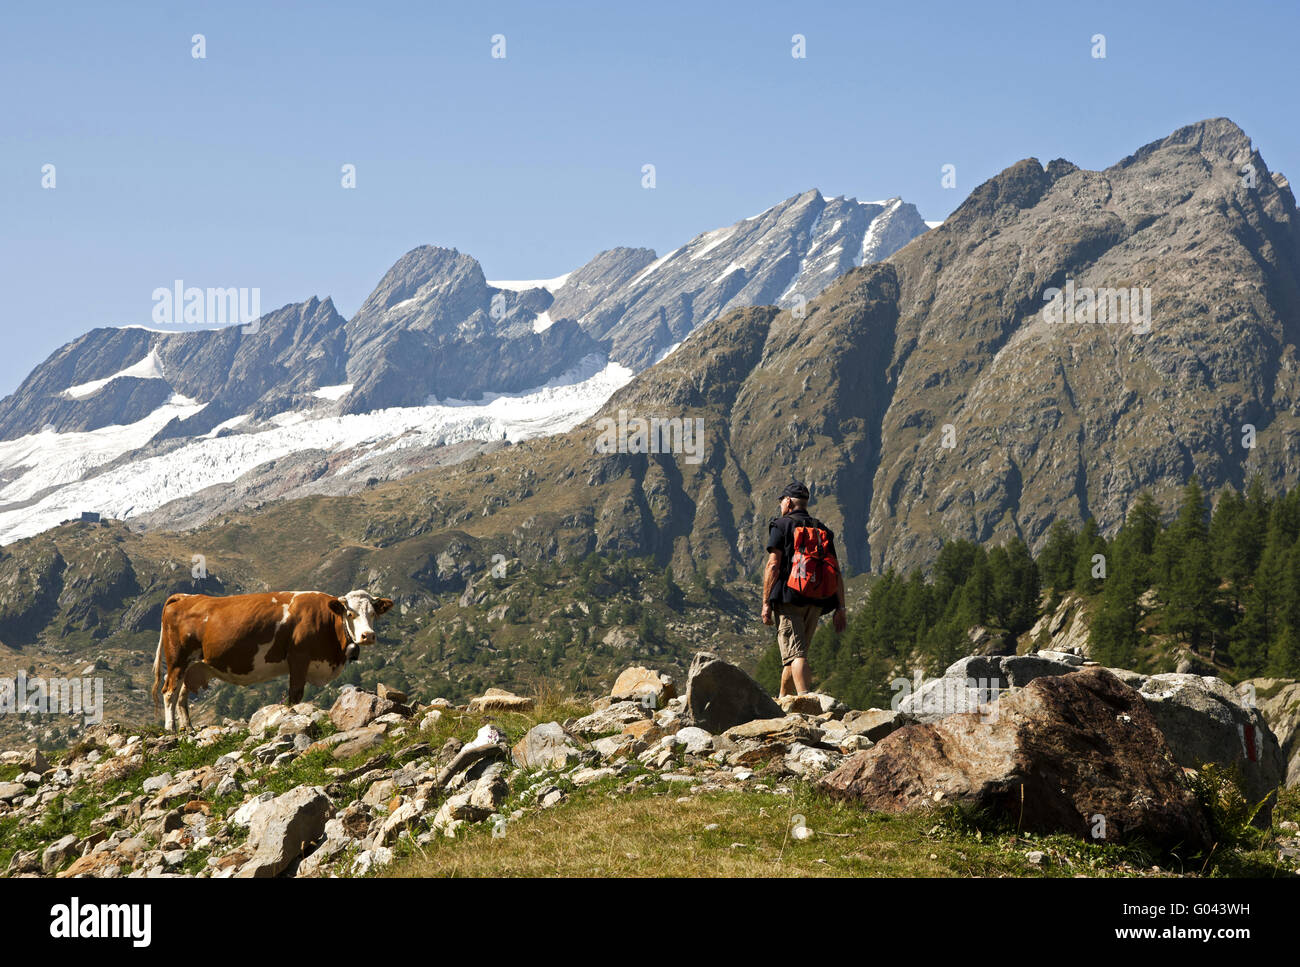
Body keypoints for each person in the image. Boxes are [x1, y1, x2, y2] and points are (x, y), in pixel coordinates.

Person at [761, 481, 846, 696]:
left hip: (790, 599)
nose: (781, 505)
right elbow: (835, 572)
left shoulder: (781, 525)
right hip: (817, 600)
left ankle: (805, 702)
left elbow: (773, 565)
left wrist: (765, 603)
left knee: (797, 654)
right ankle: (783, 702)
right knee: (793, 655)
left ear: (788, 501)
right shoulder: (821, 529)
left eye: (782, 501)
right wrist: (840, 608)